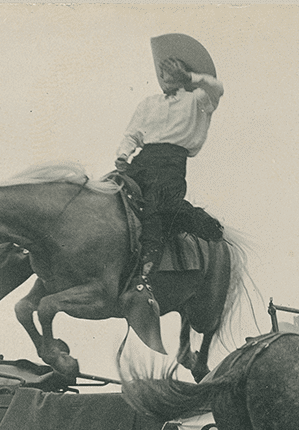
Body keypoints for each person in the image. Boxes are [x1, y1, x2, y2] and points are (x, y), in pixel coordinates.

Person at [115, 35, 225, 318]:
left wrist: (191, 76)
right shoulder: (148, 102)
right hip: (143, 159)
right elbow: (133, 133)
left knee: (157, 209)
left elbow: (217, 88)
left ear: (181, 74)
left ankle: (147, 274)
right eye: (163, 73)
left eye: (172, 72)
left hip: (171, 164)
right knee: (111, 195)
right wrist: (123, 155)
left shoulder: (197, 100)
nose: (165, 78)